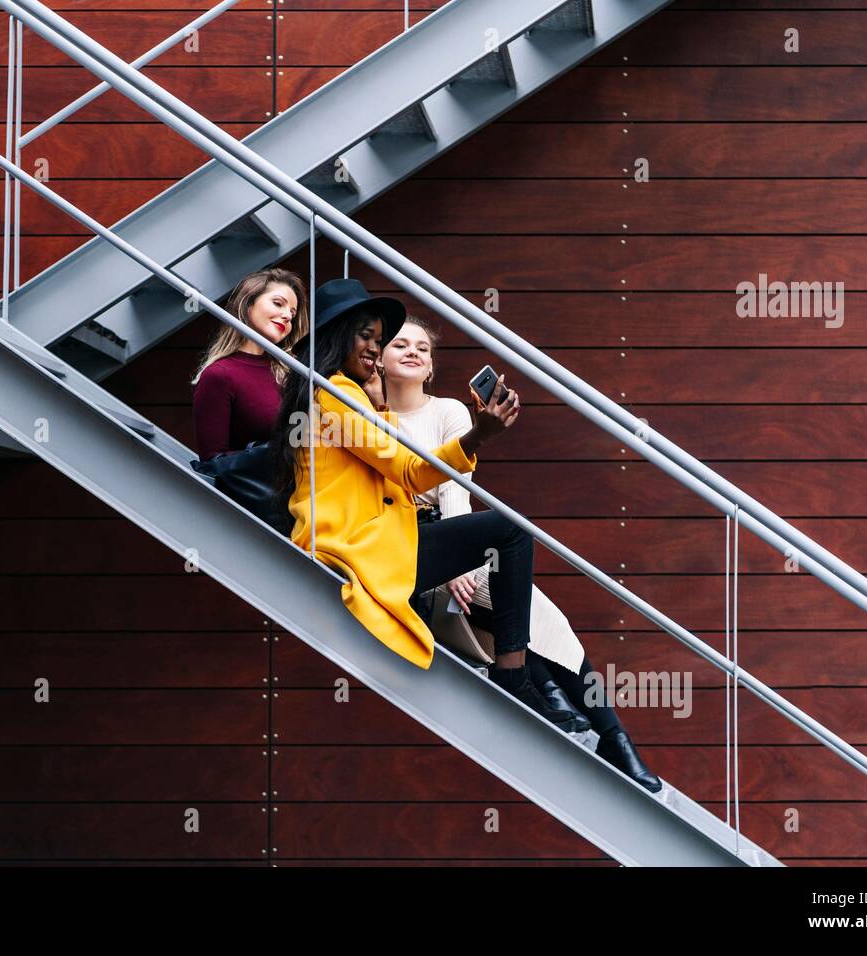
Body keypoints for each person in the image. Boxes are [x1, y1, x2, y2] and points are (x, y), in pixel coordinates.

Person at [268, 277, 578, 724]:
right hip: (361, 551)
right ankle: (514, 679)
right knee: (508, 532)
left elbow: (385, 469)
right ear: (336, 336)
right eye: (366, 336)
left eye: (379, 338)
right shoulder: (334, 394)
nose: (376, 348)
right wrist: (478, 434)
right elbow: (410, 472)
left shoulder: (335, 393)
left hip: (377, 541)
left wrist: (379, 406)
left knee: (506, 553)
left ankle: (527, 679)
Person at [379, 315, 662, 792]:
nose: (412, 352)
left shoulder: (448, 411)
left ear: (430, 367)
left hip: (453, 540)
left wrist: (457, 561)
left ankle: (613, 736)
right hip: (402, 550)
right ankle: (553, 701)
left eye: (423, 349)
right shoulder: (364, 412)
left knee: (543, 618)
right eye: (400, 344)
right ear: (380, 360)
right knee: (513, 612)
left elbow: (454, 488)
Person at [191, 267, 307, 461]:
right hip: (258, 489)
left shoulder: (291, 372)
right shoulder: (219, 375)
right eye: (278, 303)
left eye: (292, 314)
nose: (287, 316)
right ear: (248, 304)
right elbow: (213, 462)